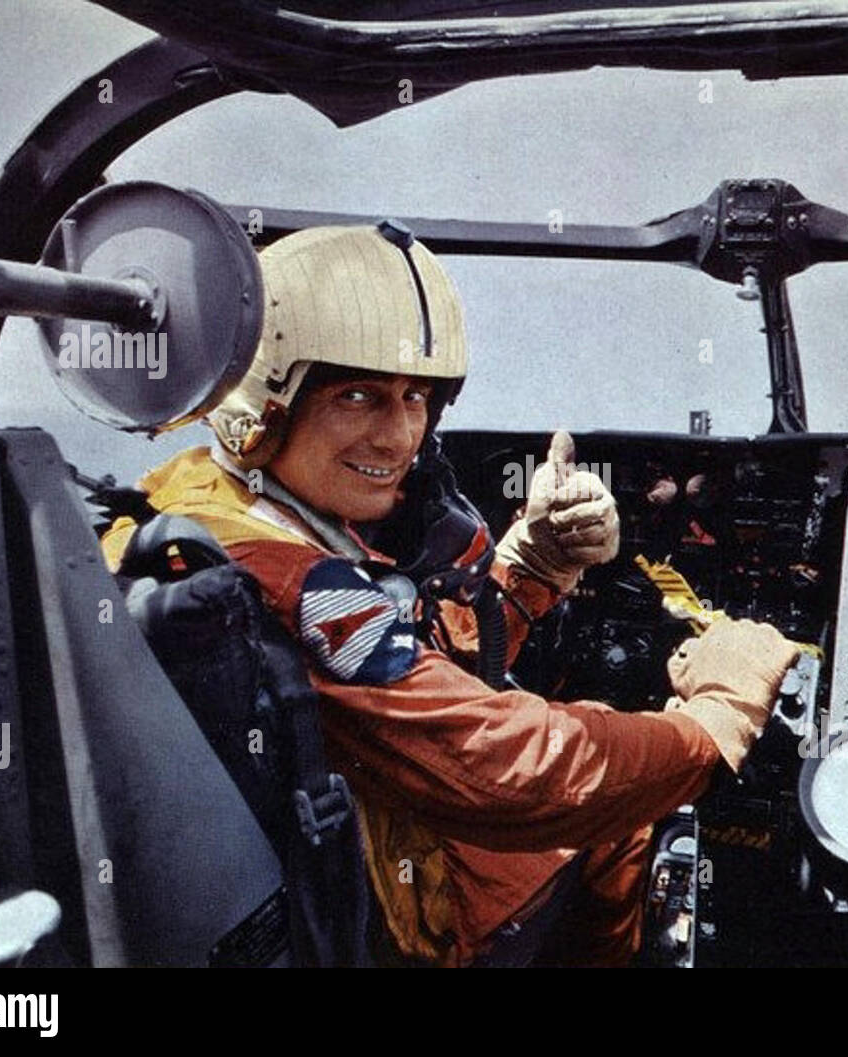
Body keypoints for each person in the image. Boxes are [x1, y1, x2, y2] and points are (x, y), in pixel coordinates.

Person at [101, 223, 800, 966]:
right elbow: (511, 769)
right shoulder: (291, 582)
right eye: (358, 395)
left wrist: (530, 570)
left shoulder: (200, 503)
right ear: (262, 405)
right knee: (614, 800)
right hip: (372, 919)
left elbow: (411, 675)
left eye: (416, 397)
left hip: (321, 861)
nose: (400, 436)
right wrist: (714, 722)